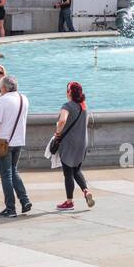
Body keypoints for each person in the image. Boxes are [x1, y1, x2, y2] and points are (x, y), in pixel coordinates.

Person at [0, 74, 32, 218]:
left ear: (5, 87)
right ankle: (25, 200)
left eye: (0, 86)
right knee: (13, 171)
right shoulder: (24, 99)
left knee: (6, 176)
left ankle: (10, 208)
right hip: (19, 141)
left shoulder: (2, 101)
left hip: (4, 142)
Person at [54, 81, 95, 211]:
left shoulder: (67, 105)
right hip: (82, 142)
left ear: (70, 92)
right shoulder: (84, 106)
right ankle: (86, 191)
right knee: (76, 169)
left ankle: (69, 202)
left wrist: (57, 133)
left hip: (69, 143)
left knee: (68, 173)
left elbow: (62, 120)